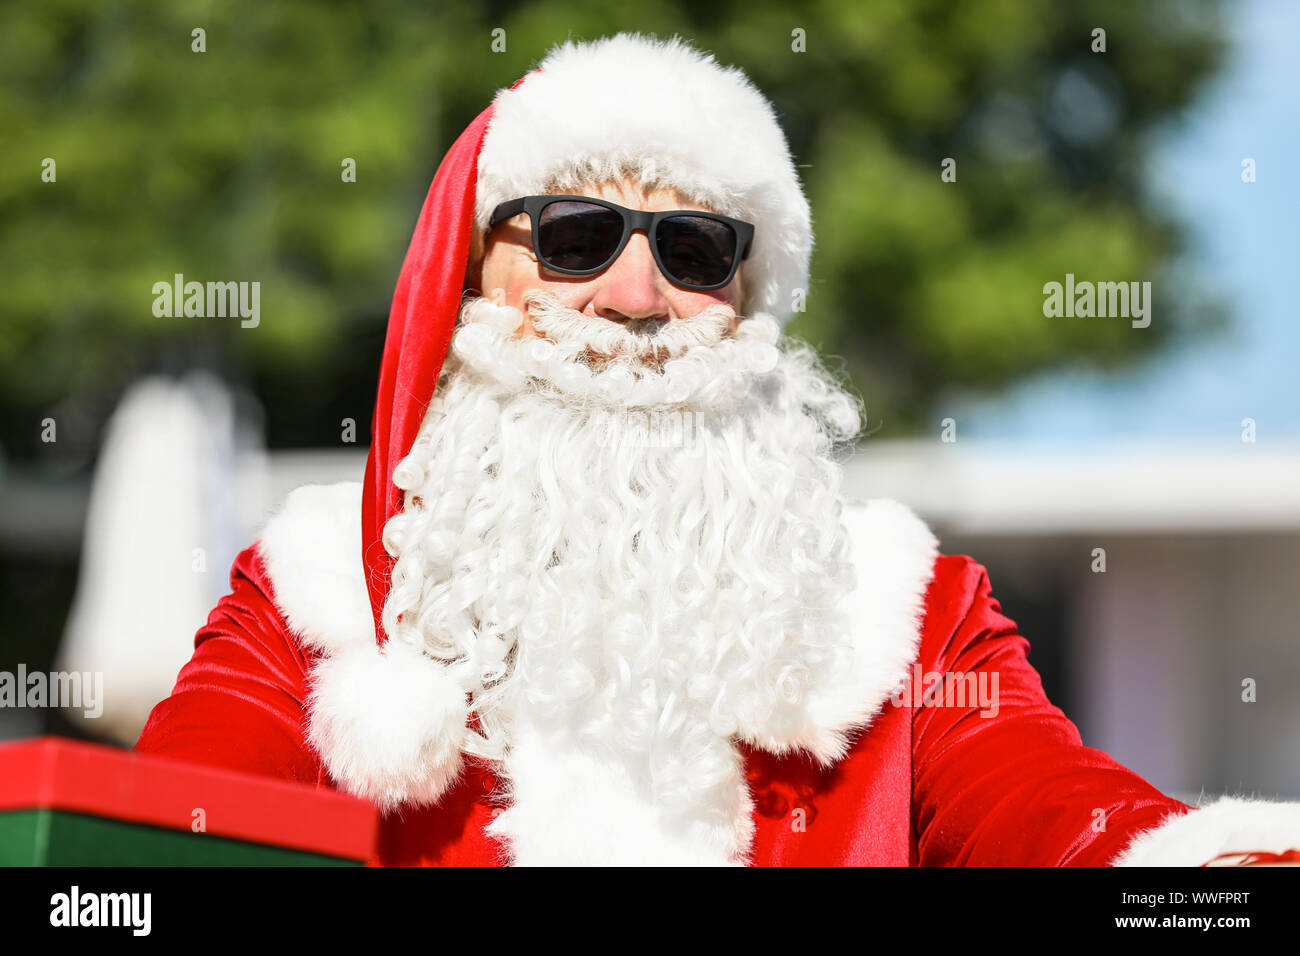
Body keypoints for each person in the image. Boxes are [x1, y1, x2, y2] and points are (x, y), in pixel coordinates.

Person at [136, 32, 1300, 866]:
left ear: (746, 300)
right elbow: (168, 822)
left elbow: (1047, 805)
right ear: (467, 274)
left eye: (695, 249)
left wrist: (1199, 866)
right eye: (574, 237)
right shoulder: (314, 597)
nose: (635, 295)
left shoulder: (904, 612)